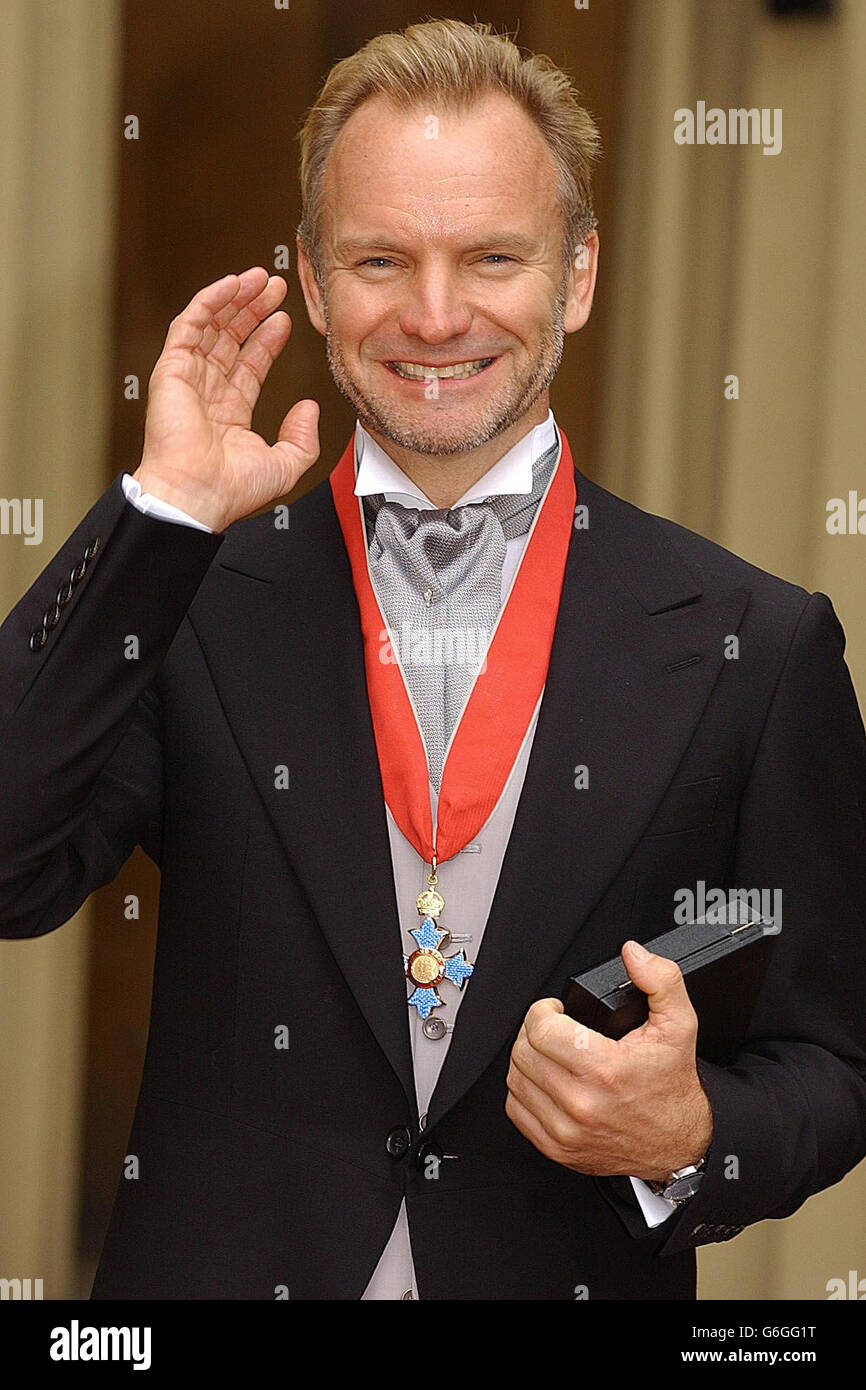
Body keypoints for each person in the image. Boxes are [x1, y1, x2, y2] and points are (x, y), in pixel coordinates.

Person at [1, 18, 864, 1301]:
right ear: (310, 274)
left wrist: (690, 1137)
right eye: (379, 259)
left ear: (575, 275)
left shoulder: (757, 642)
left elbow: (833, 1061)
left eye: (493, 257)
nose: (435, 312)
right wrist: (162, 510)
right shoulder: (192, 597)